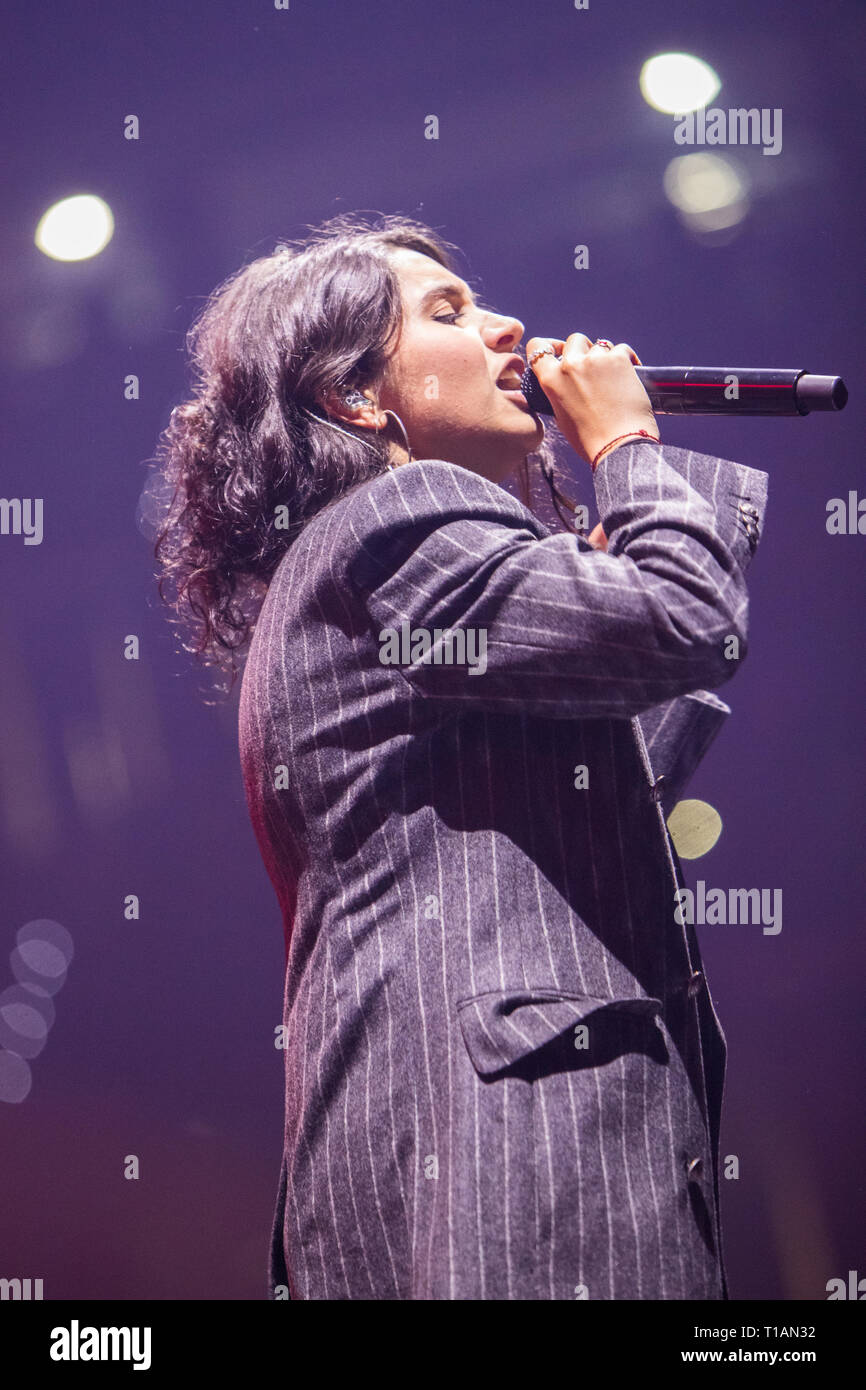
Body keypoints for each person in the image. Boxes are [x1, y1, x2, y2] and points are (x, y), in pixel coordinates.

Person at [154, 212, 768, 1300]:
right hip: (514, 1151)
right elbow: (683, 620)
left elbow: (610, 752)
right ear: (353, 396)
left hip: (429, 1154)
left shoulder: (364, 564)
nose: (507, 328)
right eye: (447, 312)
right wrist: (625, 450)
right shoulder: (398, 514)